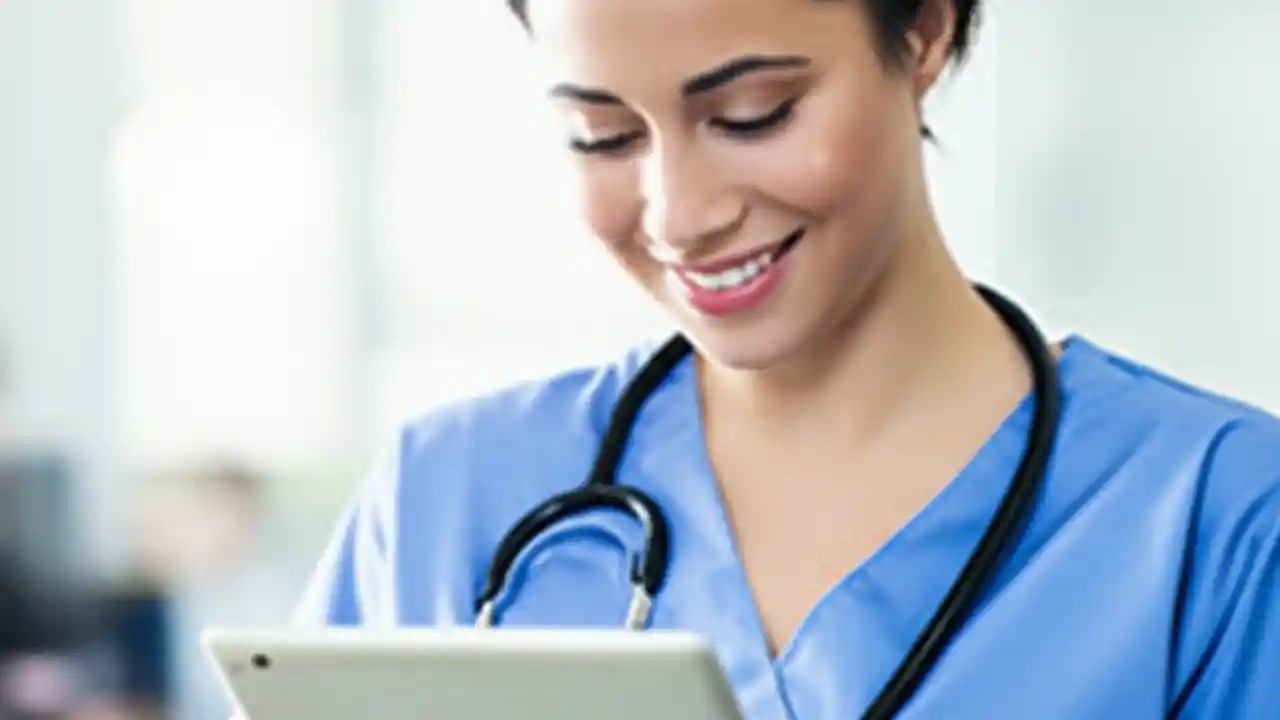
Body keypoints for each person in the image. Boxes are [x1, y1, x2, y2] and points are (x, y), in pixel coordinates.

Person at [293, 0, 1280, 717]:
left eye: (753, 114)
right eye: (600, 136)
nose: (680, 213)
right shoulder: (445, 495)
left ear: (924, 31)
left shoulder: (1218, 517)